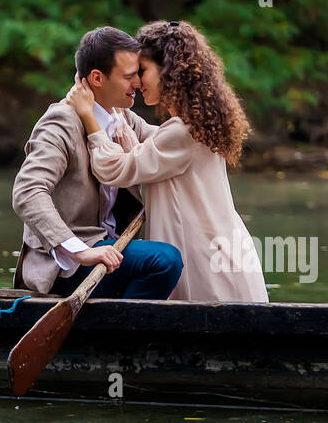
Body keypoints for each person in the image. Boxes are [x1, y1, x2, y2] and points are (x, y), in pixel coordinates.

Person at [67, 21, 270, 302]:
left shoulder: (180, 133)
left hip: (203, 257)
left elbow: (113, 168)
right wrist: (113, 109)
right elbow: (145, 151)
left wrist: (90, 117)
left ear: (168, 73)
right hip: (219, 249)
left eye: (143, 71)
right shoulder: (194, 126)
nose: (137, 82)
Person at [11, 26, 183, 299]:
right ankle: (126, 339)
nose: (137, 83)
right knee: (164, 260)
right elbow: (27, 192)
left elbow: (168, 142)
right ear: (97, 78)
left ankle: (120, 329)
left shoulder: (122, 118)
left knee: (174, 254)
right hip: (68, 265)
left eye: (138, 74)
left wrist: (204, 124)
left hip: (111, 251)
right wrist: (82, 250)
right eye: (128, 77)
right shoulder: (60, 123)